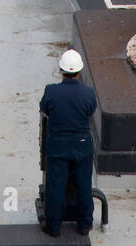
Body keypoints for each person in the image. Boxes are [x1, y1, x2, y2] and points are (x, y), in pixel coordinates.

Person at [39, 50, 97, 236]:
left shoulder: (51, 91)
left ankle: (54, 227)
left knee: (55, 187)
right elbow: (89, 111)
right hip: (81, 146)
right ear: (79, 71)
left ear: (61, 69)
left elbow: (44, 108)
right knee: (84, 186)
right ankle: (85, 225)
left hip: (57, 146)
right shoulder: (88, 93)